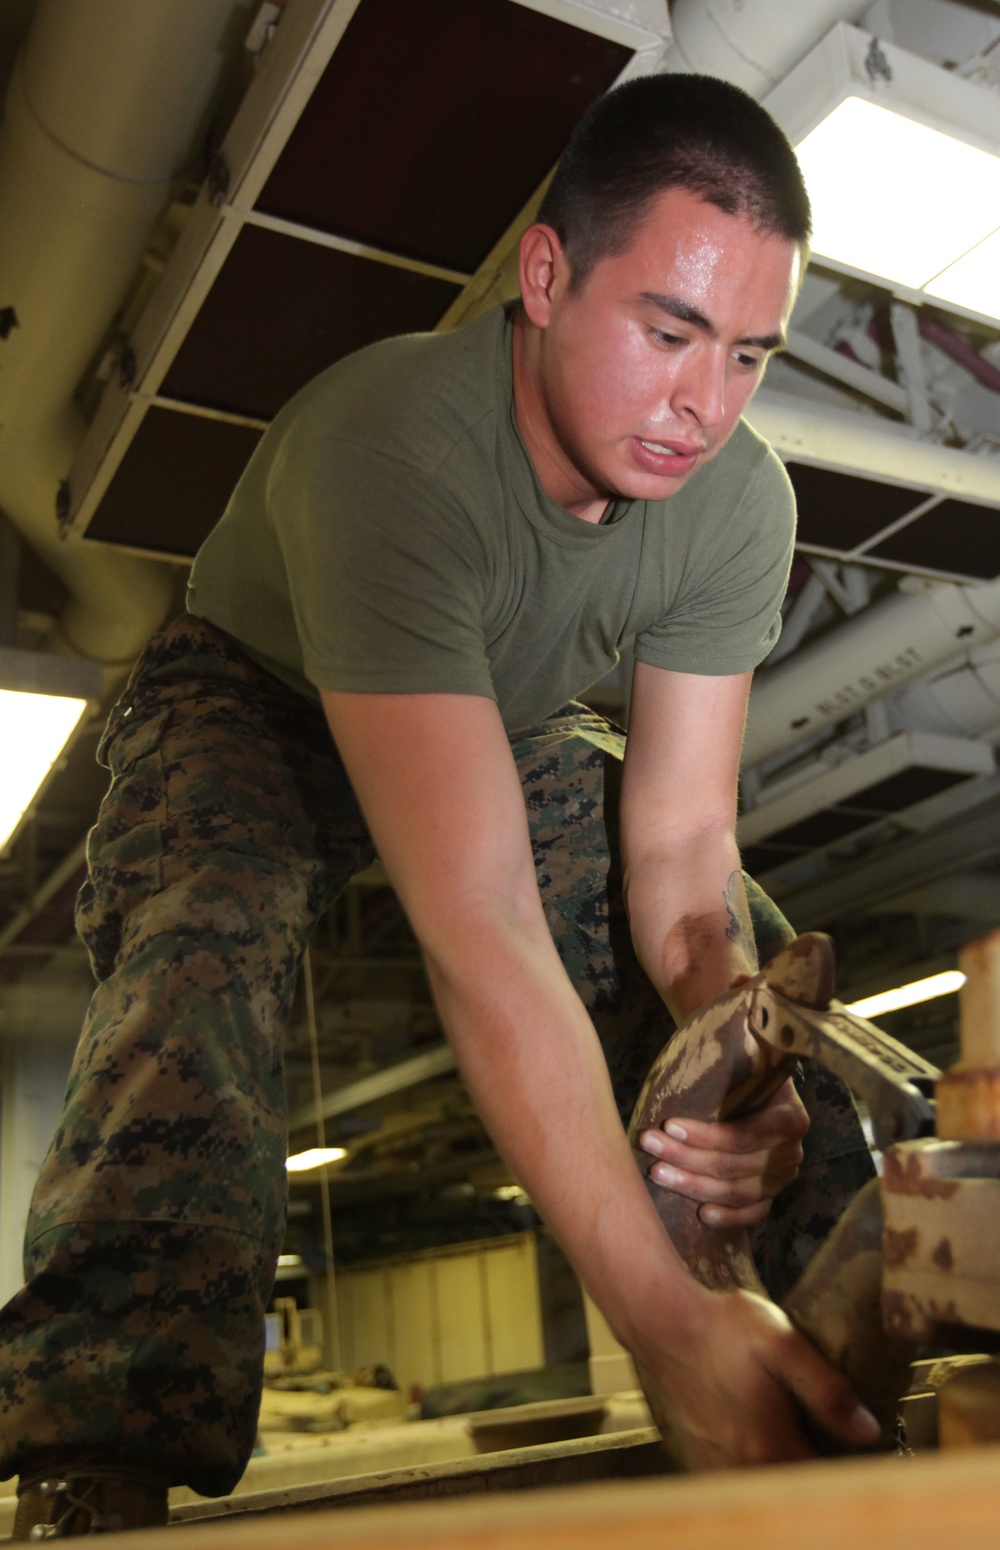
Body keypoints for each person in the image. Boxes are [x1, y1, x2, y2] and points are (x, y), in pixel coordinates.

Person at [0, 71, 878, 1537]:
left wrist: (728, 1043)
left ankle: (865, 1342)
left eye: (746, 355)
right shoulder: (387, 445)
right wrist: (661, 1321)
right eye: (666, 332)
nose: (701, 406)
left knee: (780, 998)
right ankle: (97, 1444)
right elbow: (484, 934)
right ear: (546, 276)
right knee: (199, 947)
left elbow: (676, 847)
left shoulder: (742, 504)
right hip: (255, 699)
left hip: (506, 716)